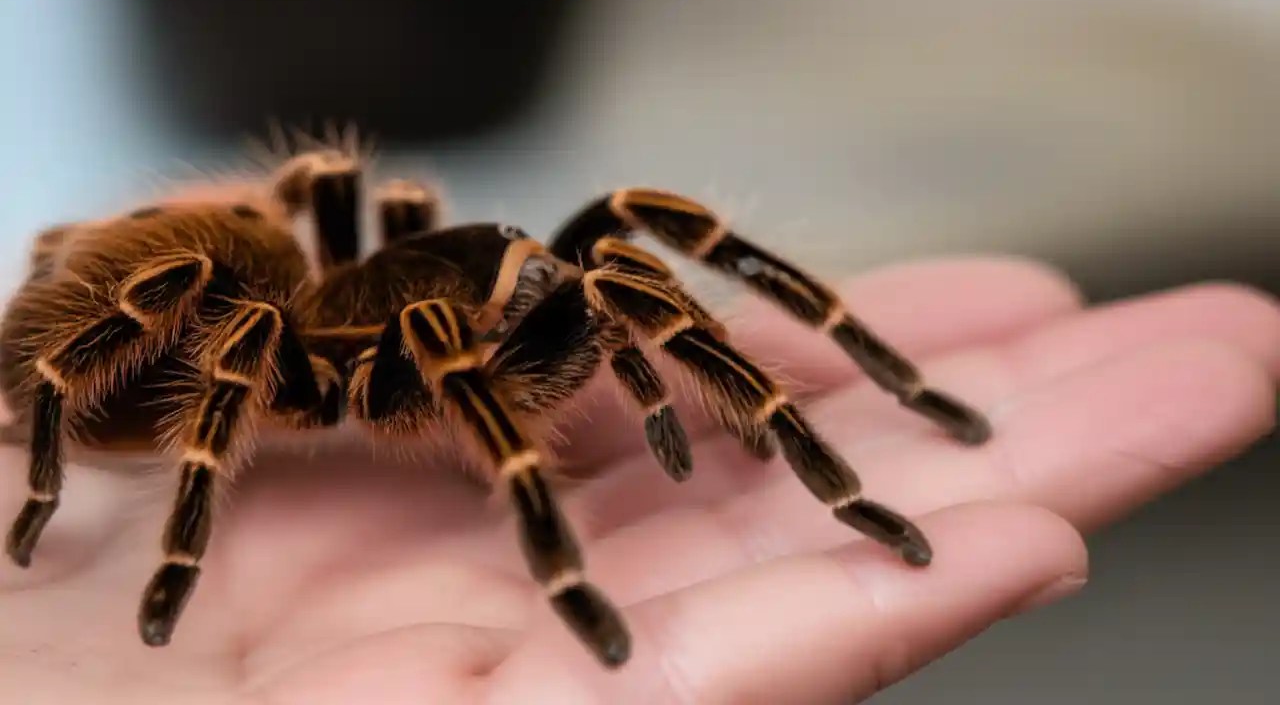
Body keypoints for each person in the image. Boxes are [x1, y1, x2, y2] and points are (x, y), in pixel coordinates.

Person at [1, 257, 1276, 704]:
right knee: (247, 311)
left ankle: (847, 427)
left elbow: (624, 293)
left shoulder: (531, 285)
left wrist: (773, 400)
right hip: (120, 388)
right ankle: (558, 563)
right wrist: (55, 474)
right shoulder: (289, 336)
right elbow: (208, 337)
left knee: (621, 257)